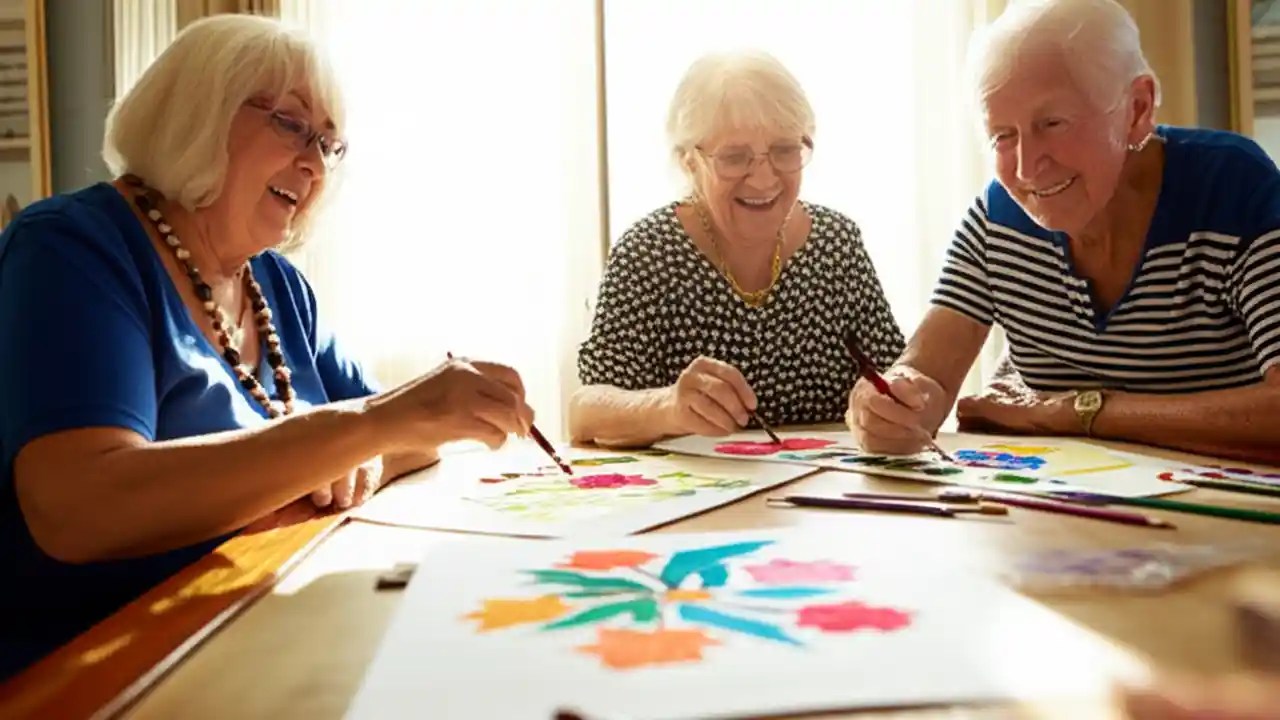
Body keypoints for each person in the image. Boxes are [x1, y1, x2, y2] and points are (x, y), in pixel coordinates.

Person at [0, 15, 533, 678]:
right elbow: (78, 508)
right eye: (290, 124)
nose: (314, 165)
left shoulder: (278, 286)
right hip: (97, 670)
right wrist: (355, 433)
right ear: (196, 111)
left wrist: (357, 443)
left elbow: (406, 438)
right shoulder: (72, 246)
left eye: (329, 146)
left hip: (253, 633)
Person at [848, 0, 1280, 464]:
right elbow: (924, 370)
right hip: (1069, 513)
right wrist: (892, 405)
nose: (1026, 167)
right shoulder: (997, 219)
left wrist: (1078, 411)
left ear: (1137, 108)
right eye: (1002, 136)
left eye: (1052, 123)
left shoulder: (1234, 190)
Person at [570, 50, 904, 447]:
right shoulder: (649, 253)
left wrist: (900, 401)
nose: (763, 179)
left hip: (824, 498)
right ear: (688, 163)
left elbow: (895, 377)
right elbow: (586, 412)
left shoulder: (836, 243)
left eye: (784, 150)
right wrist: (668, 407)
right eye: (733, 157)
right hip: (702, 500)